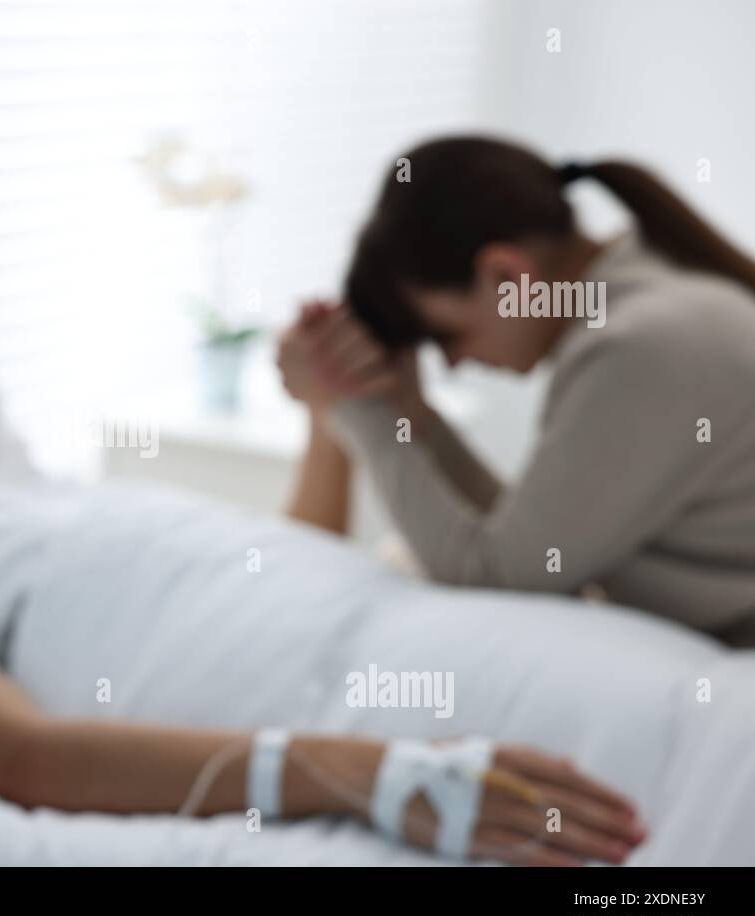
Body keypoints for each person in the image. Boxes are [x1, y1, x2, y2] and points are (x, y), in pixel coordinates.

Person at [0, 248, 645, 866]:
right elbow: (18, 756)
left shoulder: (31, 491)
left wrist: (326, 420)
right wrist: (367, 770)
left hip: (436, 638)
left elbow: (286, 572)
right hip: (400, 719)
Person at [278, 135, 755, 646]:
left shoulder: (638, 346)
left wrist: (353, 402)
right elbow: (535, 543)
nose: (452, 364)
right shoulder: (652, 299)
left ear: (506, 276)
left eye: (446, 336)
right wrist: (411, 412)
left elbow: (496, 574)